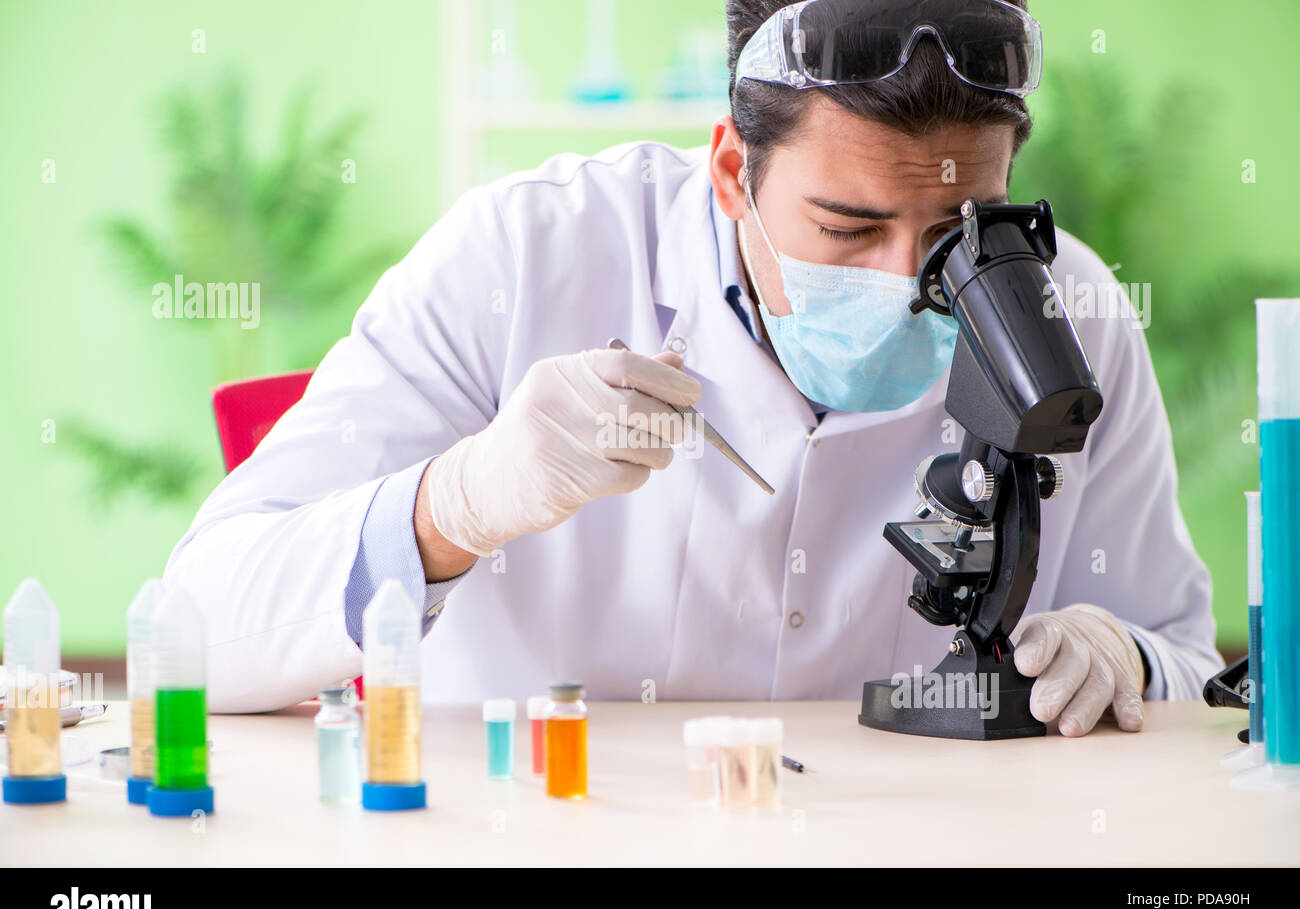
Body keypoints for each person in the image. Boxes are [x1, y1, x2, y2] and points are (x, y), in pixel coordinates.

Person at [165, 0, 1222, 733]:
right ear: (731, 171)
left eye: (956, 227)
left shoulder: (1067, 308)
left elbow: (1186, 667)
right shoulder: (521, 255)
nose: (910, 277)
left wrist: (1124, 660)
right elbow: (195, 633)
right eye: (847, 228)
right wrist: (460, 504)